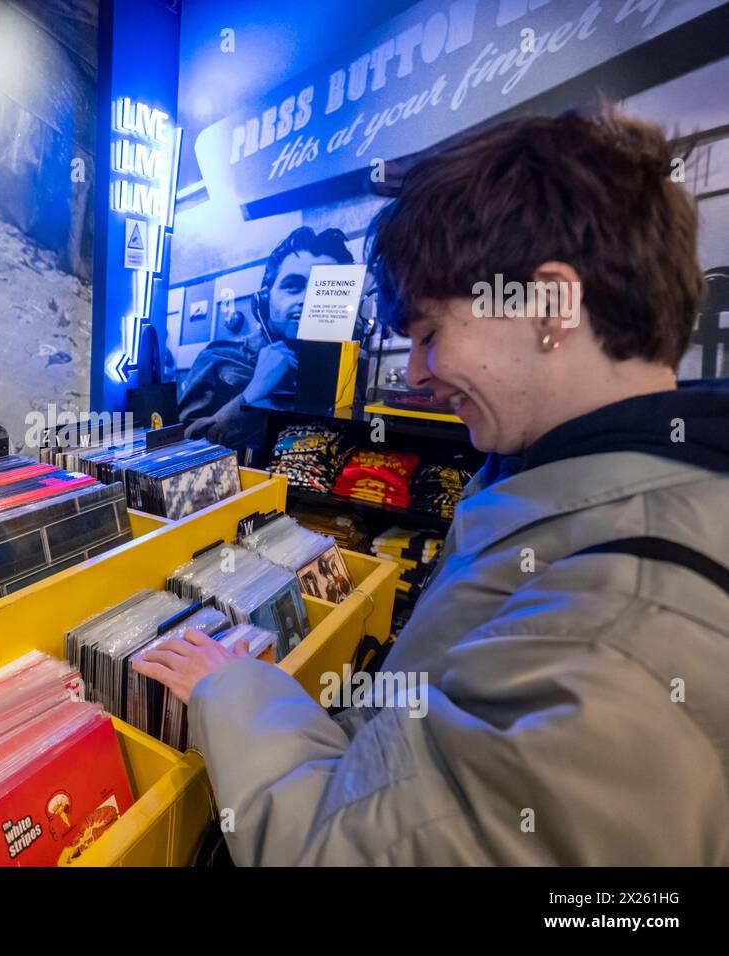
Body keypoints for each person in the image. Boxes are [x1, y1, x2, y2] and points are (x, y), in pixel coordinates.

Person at [133, 108, 729, 865]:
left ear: (549, 308)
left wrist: (238, 692)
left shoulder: (632, 625)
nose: (415, 373)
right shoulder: (560, 487)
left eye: (431, 335)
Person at [177, 227, 353, 453]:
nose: (309, 299)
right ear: (264, 299)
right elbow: (182, 450)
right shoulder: (220, 359)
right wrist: (252, 394)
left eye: (324, 289)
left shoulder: (348, 368)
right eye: (293, 286)